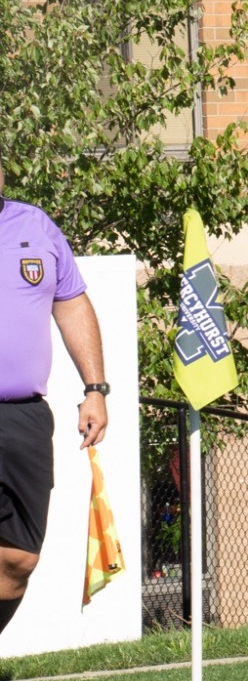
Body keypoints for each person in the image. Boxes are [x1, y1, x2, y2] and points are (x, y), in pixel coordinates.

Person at [0, 166, 110, 638]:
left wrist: (95, 389)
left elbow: (71, 303)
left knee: (18, 559)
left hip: (24, 418)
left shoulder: (35, 226)